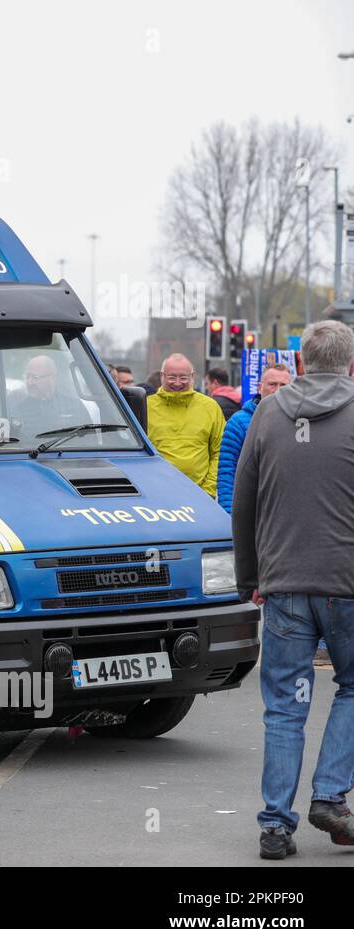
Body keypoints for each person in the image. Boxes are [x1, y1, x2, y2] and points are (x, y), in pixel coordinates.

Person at [233, 320, 354, 860]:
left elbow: (244, 500)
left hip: (282, 584)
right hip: (347, 585)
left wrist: (249, 577)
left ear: (302, 363)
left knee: (284, 708)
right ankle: (329, 795)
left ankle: (275, 826)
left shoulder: (266, 413)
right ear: (349, 364)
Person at [146, 353, 224, 496]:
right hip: (156, 494)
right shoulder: (145, 407)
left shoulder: (210, 407)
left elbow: (219, 451)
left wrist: (208, 490)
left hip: (200, 495)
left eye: (183, 377)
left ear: (192, 377)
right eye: (171, 377)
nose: (177, 383)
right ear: (162, 376)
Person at [217, 364, 291, 514]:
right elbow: (227, 470)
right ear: (259, 387)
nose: (277, 390)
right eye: (272, 384)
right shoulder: (238, 423)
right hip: (250, 511)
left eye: (283, 385)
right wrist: (229, 513)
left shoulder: (298, 421)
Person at [7, 353, 91, 441]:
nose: (30, 383)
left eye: (35, 377)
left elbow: (90, 441)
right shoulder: (19, 410)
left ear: (52, 378)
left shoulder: (74, 406)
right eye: (27, 377)